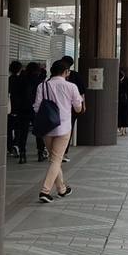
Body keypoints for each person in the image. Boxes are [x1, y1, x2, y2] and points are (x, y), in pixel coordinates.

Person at [34, 59, 84, 203]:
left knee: (54, 159)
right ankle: (45, 190)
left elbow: (37, 108)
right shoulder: (71, 86)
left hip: (46, 127)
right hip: (63, 127)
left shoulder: (42, 86)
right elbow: (78, 109)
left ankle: (62, 189)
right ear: (66, 72)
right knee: (56, 160)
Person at [8, 61, 34, 163]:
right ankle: (16, 145)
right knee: (19, 129)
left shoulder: (8, 80)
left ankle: (10, 148)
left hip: (9, 107)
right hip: (19, 108)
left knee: (9, 129)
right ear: (20, 69)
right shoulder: (22, 81)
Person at [25, 63, 47, 162]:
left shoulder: (22, 82)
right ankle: (41, 152)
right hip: (37, 111)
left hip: (24, 109)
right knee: (39, 132)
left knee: (22, 132)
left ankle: (22, 154)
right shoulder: (41, 83)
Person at [117, 71, 128, 136]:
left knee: (122, 115)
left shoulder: (118, 82)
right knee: (126, 115)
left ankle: (123, 128)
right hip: (127, 102)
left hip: (120, 102)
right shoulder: (127, 81)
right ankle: (125, 129)